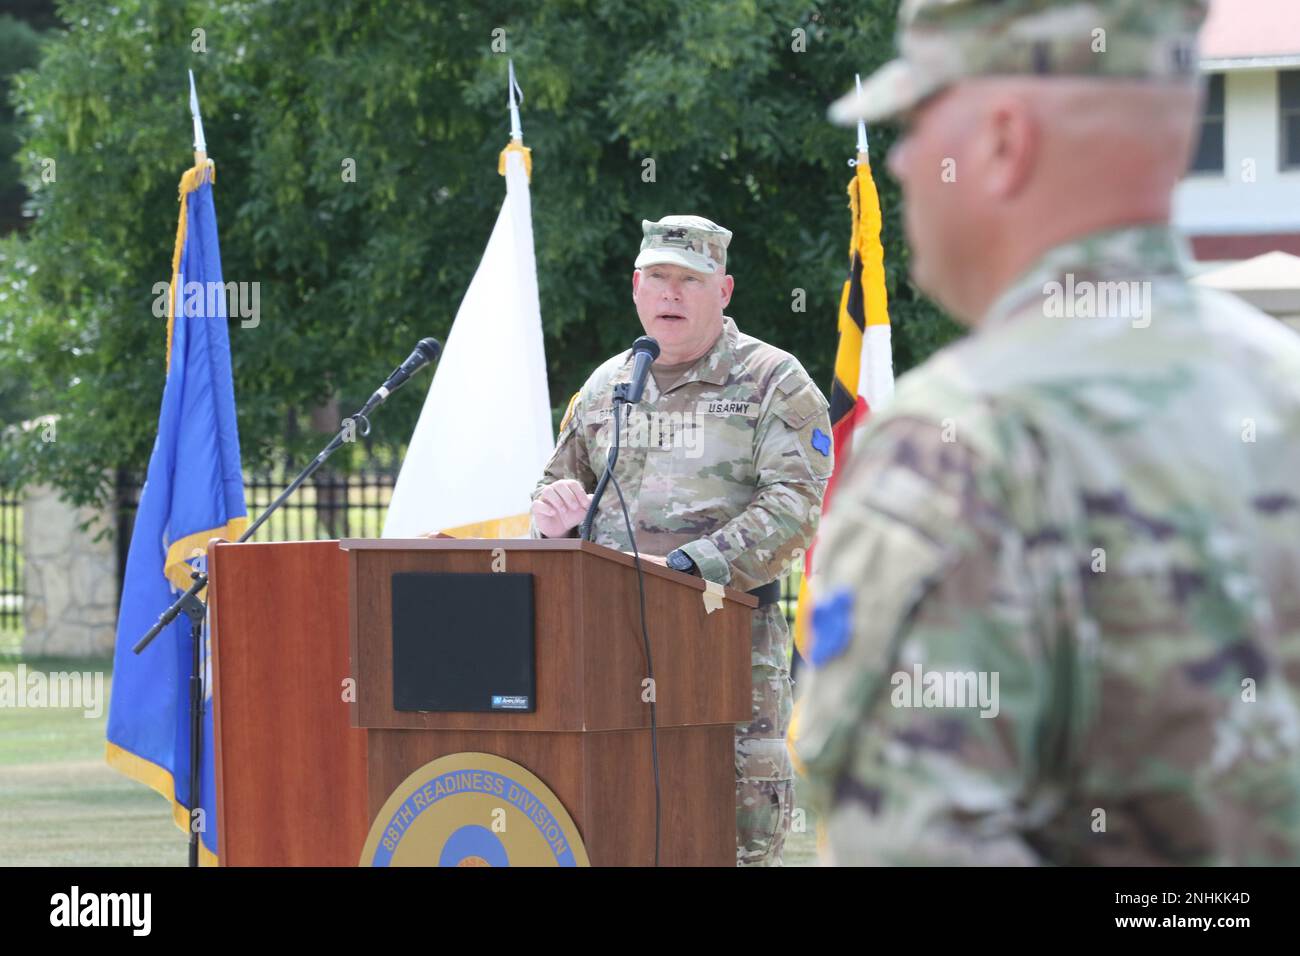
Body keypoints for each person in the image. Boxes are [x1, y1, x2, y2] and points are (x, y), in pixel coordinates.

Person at [796, 0, 1300, 865]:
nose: (906, 159)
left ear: (1001, 142)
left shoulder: (960, 444)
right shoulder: (1280, 387)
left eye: (916, 119)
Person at [530, 214, 832, 865]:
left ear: (722, 291)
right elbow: (556, 495)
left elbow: (794, 510)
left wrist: (684, 567)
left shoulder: (774, 382)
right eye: (658, 278)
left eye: (689, 280)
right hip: (604, 658)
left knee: (728, 837)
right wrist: (552, 520)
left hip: (723, 655)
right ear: (637, 287)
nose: (671, 294)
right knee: (609, 825)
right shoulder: (608, 387)